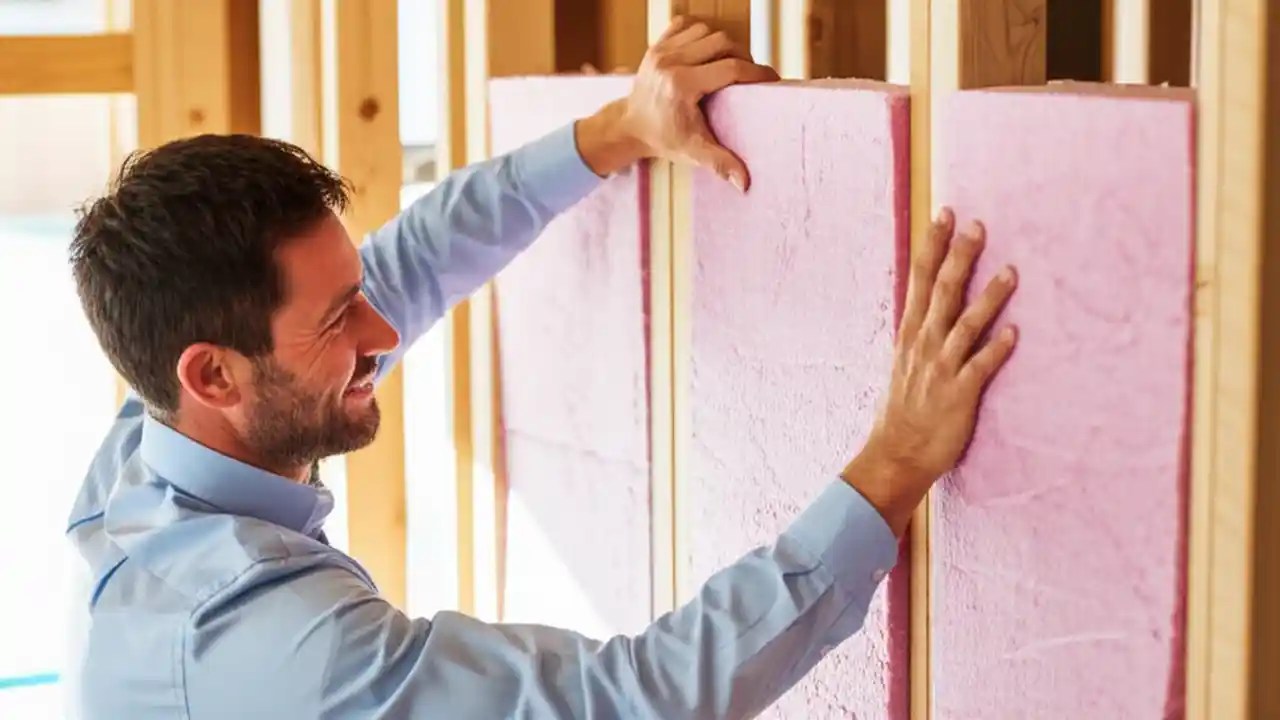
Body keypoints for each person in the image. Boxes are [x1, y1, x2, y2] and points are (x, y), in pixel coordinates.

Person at [63, 17, 1017, 719]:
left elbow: (413, 262)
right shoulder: (284, 652)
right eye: (336, 319)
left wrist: (620, 128)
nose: (379, 332)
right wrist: (895, 464)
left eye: (354, 292)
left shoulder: (147, 455)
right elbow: (625, 700)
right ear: (213, 376)